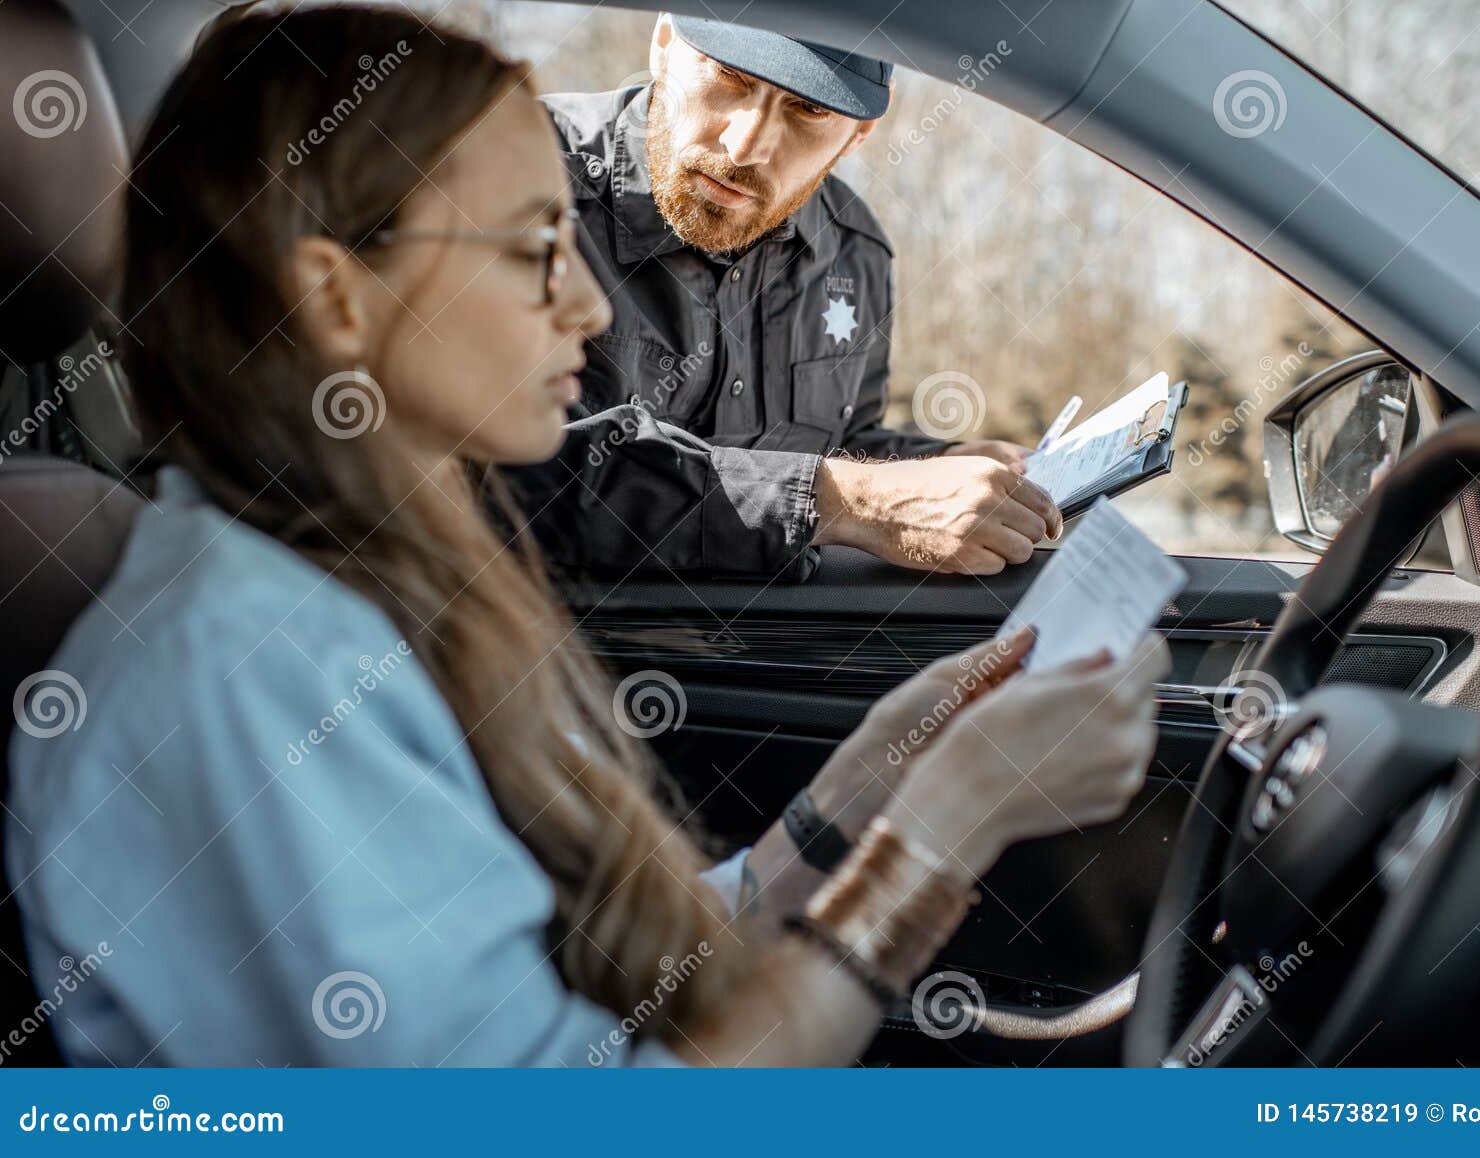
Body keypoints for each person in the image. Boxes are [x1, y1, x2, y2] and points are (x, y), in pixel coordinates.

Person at [5, 7, 1167, 1066]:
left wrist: (865, 785)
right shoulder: (249, 672)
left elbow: (581, 988)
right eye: (533, 250)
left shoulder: (374, 594)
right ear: (339, 294)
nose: (596, 306)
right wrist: (941, 831)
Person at [512, 15, 1061, 580]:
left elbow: (842, 439)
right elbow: (505, 472)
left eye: (810, 109)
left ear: (859, 134)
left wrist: (941, 467)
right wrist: (848, 501)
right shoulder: (514, 174)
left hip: (774, 653)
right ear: (664, 44)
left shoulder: (855, 249)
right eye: (729, 75)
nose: (745, 146)